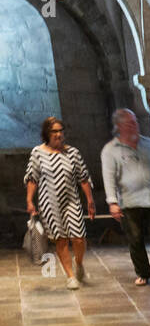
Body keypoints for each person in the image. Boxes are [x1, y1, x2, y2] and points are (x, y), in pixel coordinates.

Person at [102, 109, 150, 286]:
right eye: (130, 123)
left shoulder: (149, 144)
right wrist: (112, 202)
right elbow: (109, 177)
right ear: (119, 126)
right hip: (130, 202)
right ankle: (143, 273)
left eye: (135, 121)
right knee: (135, 239)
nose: (135, 125)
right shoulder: (110, 150)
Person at [25, 117, 95, 290]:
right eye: (54, 131)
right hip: (49, 204)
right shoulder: (38, 152)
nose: (58, 134)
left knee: (78, 238)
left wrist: (90, 200)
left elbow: (83, 177)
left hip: (71, 201)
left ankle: (78, 264)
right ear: (46, 133)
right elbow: (32, 178)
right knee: (60, 239)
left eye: (60, 130)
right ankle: (70, 276)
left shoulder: (72, 152)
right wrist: (29, 200)